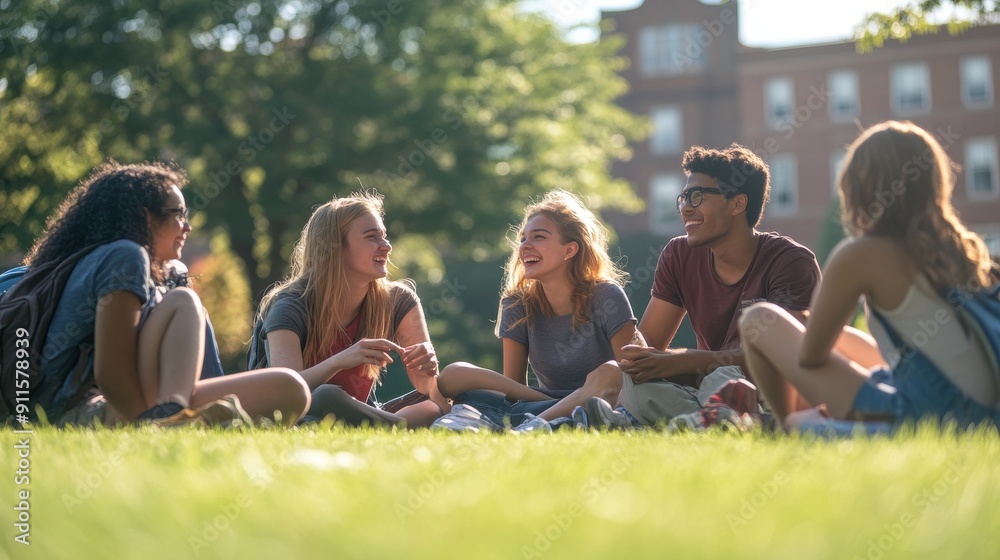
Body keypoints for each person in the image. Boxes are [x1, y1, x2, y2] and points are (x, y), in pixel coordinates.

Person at [739, 120, 1000, 430]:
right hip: (985, 412)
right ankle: (813, 420)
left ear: (858, 186)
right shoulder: (963, 248)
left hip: (937, 416)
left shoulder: (861, 253)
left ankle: (786, 427)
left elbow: (810, 357)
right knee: (841, 338)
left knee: (758, 320)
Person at [22, 161, 311, 427]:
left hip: (143, 401)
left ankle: (174, 415)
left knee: (290, 388)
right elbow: (110, 374)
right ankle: (169, 421)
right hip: (79, 411)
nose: (188, 227)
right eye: (179, 214)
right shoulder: (125, 255)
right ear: (146, 218)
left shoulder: (155, 271)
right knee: (184, 302)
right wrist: (144, 428)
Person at [582, 143, 822, 430]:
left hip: (769, 391)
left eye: (697, 196)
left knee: (724, 378)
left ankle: (660, 421)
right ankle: (712, 420)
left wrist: (687, 361)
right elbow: (649, 344)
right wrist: (642, 360)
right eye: (683, 197)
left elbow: (784, 356)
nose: (685, 208)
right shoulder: (679, 254)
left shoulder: (790, 261)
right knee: (634, 378)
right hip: (705, 385)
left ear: (737, 204)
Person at [432, 190, 637, 432]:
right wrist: (551, 402)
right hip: (541, 404)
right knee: (453, 374)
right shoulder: (516, 304)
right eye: (522, 239)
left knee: (612, 371)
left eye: (538, 237)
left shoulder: (607, 296)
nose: (524, 247)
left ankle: (526, 426)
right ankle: (542, 420)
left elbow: (632, 376)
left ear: (569, 250)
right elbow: (512, 386)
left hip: (602, 402)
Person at [248, 192, 446, 428]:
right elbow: (284, 389)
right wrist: (339, 361)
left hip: (360, 411)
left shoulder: (399, 301)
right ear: (335, 248)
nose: (387, 246)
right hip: (294, 414)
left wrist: (428, 368)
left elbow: (428, 389)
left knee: (441, 398)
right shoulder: (290, 306)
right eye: (372, 237)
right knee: (327, 396)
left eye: (384, 236)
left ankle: (388, 425)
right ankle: (398, 426)